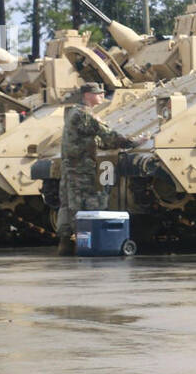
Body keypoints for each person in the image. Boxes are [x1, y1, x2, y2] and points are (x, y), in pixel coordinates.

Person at [57, 83, 145, 255]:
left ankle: (65, 243)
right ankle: (83, 244)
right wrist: (133, 142)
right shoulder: (84, 114)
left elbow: (94, 139)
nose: (102, 95)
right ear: (87, 95)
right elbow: (108, 135)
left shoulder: (73, 112)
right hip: (80, 168)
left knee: (67, 204)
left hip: (71, 166)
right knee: (82, 205)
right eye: (98, 93)